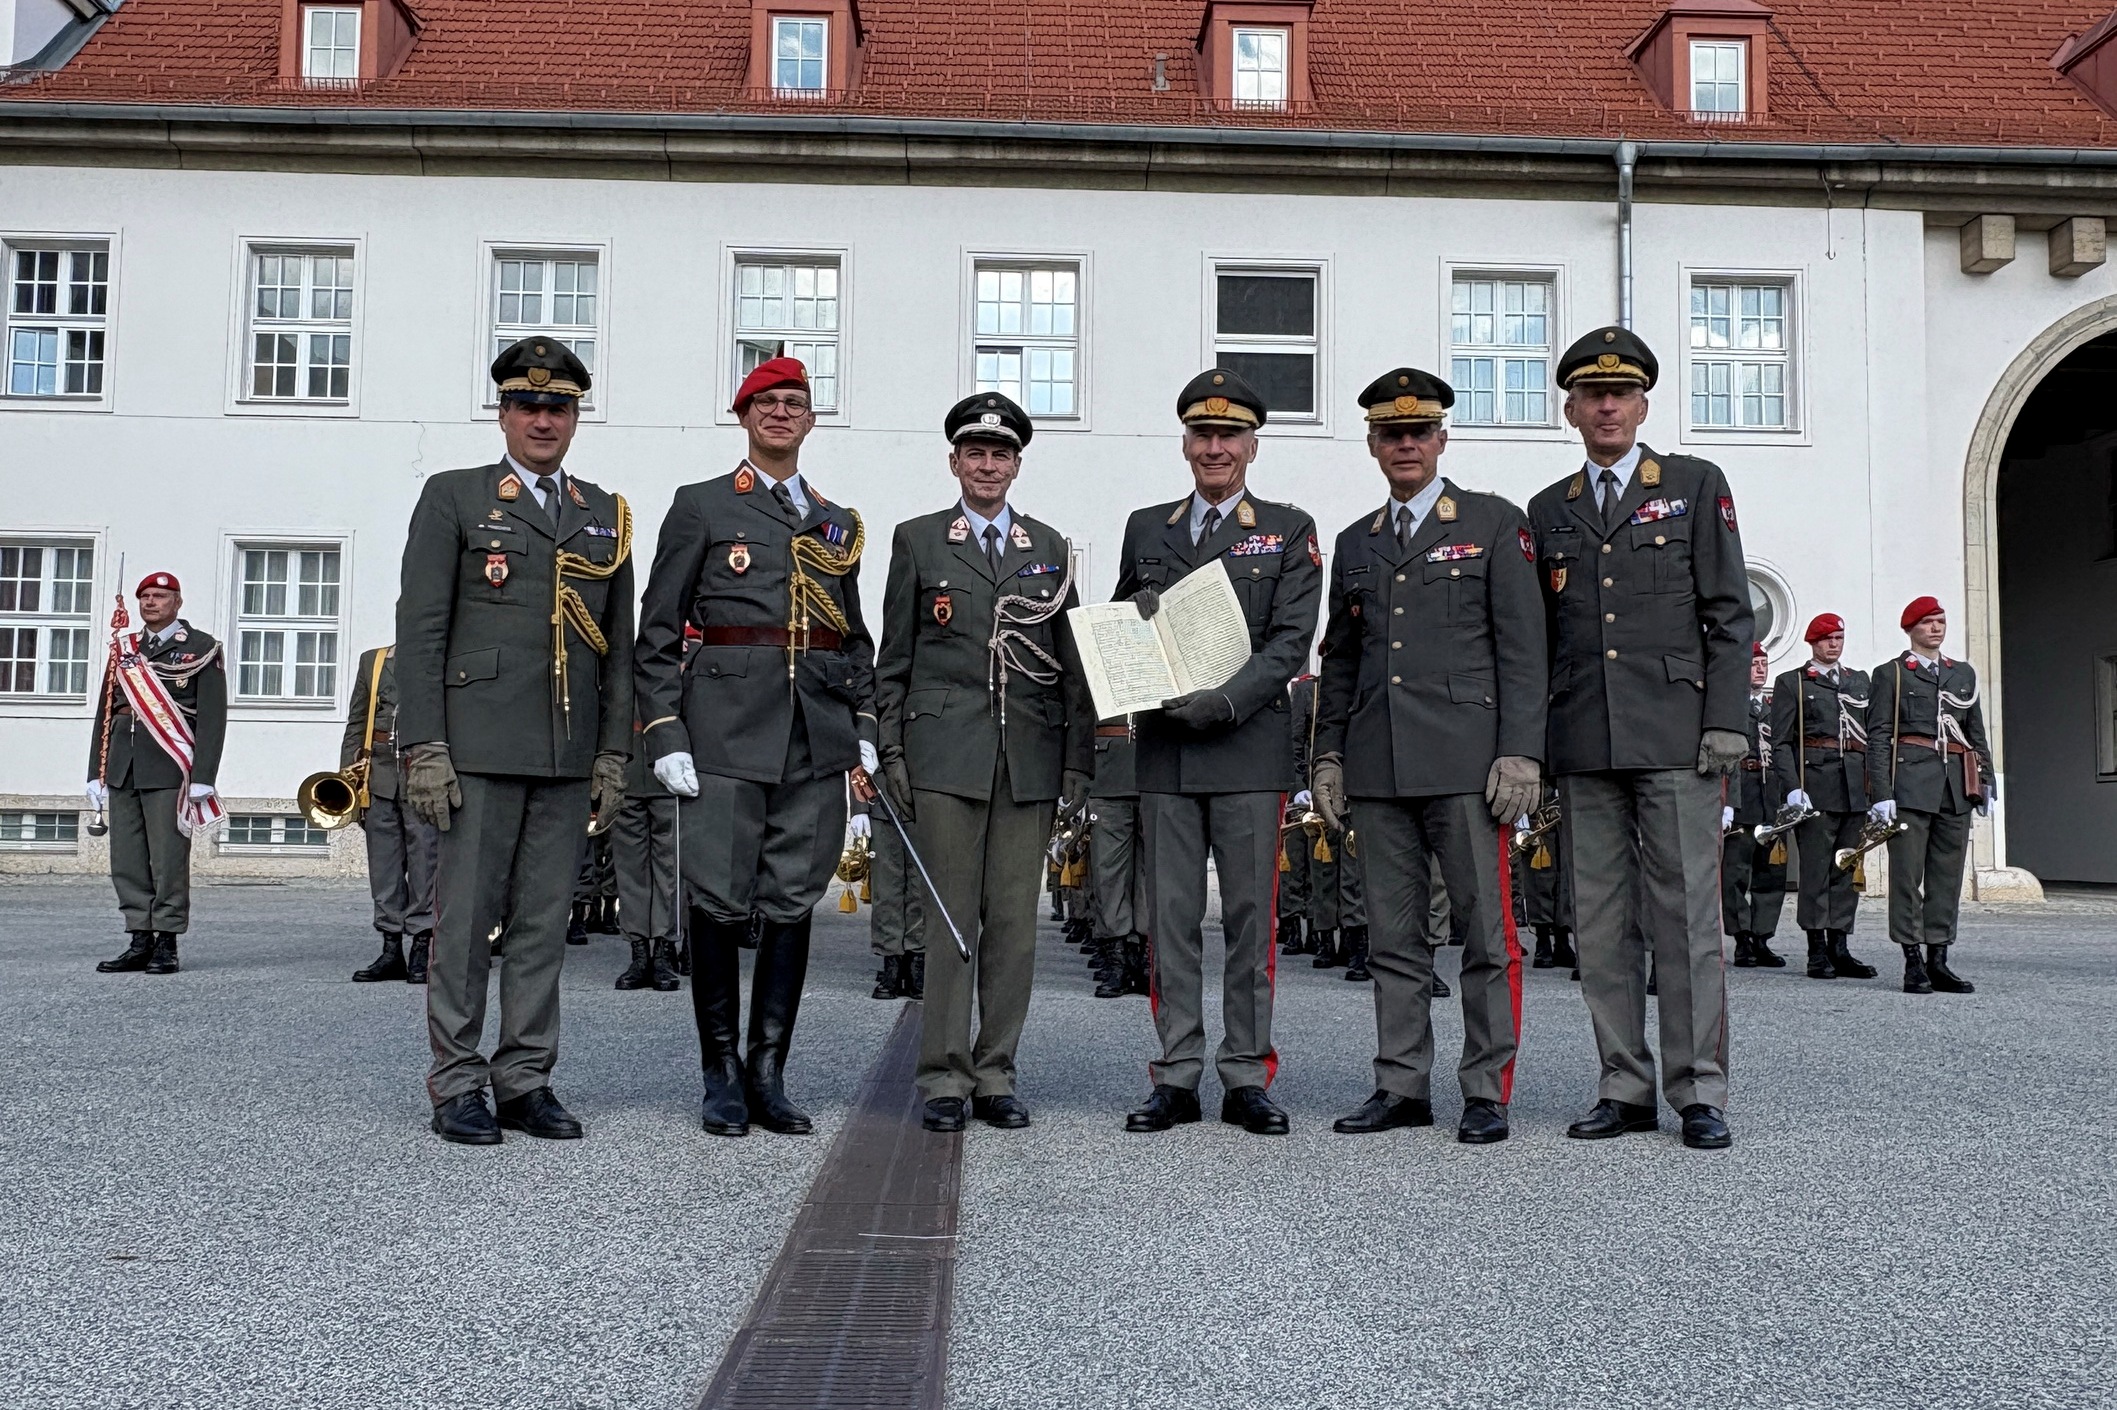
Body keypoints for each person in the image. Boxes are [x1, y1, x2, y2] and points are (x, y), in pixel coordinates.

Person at [396, 337, 634, 1146]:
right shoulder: (456, 497)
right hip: (476, 748)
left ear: (576, 417)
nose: (543, 418)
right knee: (463, 926)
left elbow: (620, 648)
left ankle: (526, 1078)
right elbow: (422, 632)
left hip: (565, 753)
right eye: (527, 404)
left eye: (558, 406)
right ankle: (457, 1082)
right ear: (502, 411)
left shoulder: (605, 514)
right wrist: (423, 744)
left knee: (542, 923)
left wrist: (612, 752)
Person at [634, 356, 877, 1139]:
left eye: (794, 404)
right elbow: (659, 631)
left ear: (810, 420)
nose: (781, 414)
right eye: (766, 403)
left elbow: (853, 639)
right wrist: (664, 730)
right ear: (743, 416)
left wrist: (864, 731)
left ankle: (769, 1072)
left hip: (812, 736)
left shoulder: (836, 522)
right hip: (725, 731)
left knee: (790, 899)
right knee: (715, 895)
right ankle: (721, 1074)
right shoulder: (701, 506)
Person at [1525, 327, 1752, 1151]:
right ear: (1571, 410)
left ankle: (1697, 1090)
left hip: (1675, 737)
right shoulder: (1548, 509)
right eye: (1591, 395)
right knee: (1599, 922)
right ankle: (1623, 1085)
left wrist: (1726, 720)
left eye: (1619, 393)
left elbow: (1728, 611)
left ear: (1642, 403)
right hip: (1585, 740)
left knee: (1686, 919)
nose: (1606, 405)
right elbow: (1539, 639)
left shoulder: (1693, 485)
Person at [1312, 367, 1546, 1144]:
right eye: (1389, 433)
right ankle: (1401, 1083)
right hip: (1379, 769)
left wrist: (1519, 753)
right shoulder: (1356, 543)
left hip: (1467, 767)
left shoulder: (1488, 522)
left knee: (1484, 935)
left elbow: (1523, 649)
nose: (1404, 444)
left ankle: (1486, 1088)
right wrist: (1329, 755)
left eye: (1418, 432)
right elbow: (1339, 662)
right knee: (1393, 936)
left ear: (1441, 440)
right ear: (1373, 445)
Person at [875, 392, 1090, 1133]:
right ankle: (942, 1075)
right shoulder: (919, 541)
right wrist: (890, 748)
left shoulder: (1051, 548)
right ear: (954, 462)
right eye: (975, 453)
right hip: (943, 756)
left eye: (999, 454)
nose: (987, 465)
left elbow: (1072, 666)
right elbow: (893, 657)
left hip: (1026, 758)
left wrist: (1076, 763)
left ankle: (996, 1071)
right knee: (949, 921)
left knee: (1013, 926)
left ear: (1016, 464)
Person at [1117, 369, 1323, 1137]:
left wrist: (1226, 701)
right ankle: (1174, 1074)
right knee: (1167, 922)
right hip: (1167, 753)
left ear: (1251, 446)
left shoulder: (1287, 526)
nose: (1214, 449)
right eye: (1202, 436)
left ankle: (1245, 1073)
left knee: (1247, 921)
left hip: (1245, 747)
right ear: (1184, 444)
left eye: (1228, 437)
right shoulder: (1148, 527)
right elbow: (1123, 626)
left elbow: (1288, 643)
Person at [86, 571, 227, 977]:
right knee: (126, 859)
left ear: (177, 602)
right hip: (124, 764)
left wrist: (204, 775)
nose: (150, 603)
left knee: (167, 858)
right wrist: (95, 770)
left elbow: (213, 718)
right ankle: (138, 936)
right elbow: (106, 711)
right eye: (145, 596)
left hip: (168, 765)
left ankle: (167, 939)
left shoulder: (201, 648)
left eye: (160, 596)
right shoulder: (126, 649)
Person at [1866, 597, 1992, 996]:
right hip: (1910, 786)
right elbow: (1879, 736)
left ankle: (1939, 957)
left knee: (1947, 878)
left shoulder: (1962, 674)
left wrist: (1985, 781)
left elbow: (1975, 733)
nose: (1936, 629)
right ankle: (1911, 960)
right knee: (1906, 877)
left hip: (1955, 788)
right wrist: (1881, 792)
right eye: (1928, 623)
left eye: (1941, 621)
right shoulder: (1892, 674)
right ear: (1910, 629)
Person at [1771, 613, 1877, 980]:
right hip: (1815, 786)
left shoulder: (1858, 682)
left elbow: (1874, 735)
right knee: (1816, 871)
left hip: (1854, 786)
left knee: (1846, 868)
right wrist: (1792, 786)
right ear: (1813, 643)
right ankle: (1816, 950)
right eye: (1826, 639)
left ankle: (1840, 946)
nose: (1833, 644)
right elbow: (1781, 741)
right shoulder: (1794, 683)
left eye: (1838, 638)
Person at [345, 644, 438, 985]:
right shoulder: (374, 660)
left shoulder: (439, 655)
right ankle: (390, 947)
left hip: (424, 776)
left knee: (426, 863)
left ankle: (422, 945)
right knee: (383, 867)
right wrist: (349, 778)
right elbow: (358, 720)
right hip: (380, 774)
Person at [1722, 643, 1789, 968]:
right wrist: (1727, 803)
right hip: (1742, 797)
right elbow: (1727, 758)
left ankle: (1763, 937)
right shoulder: (1729, 706)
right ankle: (1742, 938)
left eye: (1763, 663)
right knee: (1736, 872)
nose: (1760, 669)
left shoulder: (1776, 706)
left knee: (1772, 871)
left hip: (1772, 798)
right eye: (1753, 663)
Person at [610, 710, 682, 992]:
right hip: (626, 769)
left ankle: (664, 950)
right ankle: (639, 953)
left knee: (669, 867)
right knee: (630, 870)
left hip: (669, 768)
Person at [1088, 717, 1151, 999]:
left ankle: (1146, 954)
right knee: (1108, 872)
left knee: (1153, 870)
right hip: (1107, 768)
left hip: (1156, 765)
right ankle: (1117, 958)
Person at [862, 795, 928, 1000]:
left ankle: (916, 962)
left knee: (921, 890)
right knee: (886, 890)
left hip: (924, 802)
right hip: (881, 800)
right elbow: (859, 764)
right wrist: (859, 809)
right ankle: (892, 962)